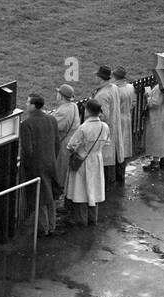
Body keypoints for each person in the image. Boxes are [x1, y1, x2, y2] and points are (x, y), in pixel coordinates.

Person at [19, 94, 60, 236]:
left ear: (33, 106)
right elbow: (57, 143)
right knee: (50, 197)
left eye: (27, 102)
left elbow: (27, 150)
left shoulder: (26, 125)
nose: (25, 104)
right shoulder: (52, 119)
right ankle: (52, 225)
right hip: (51, 161)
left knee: (40, 197)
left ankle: (44, 227)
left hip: (37, 166)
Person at [65, 100, 109, 226]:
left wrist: (78, 148)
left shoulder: (84, 128)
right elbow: (106, 142)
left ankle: (80, 219)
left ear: (88, 111)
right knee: (94, 188)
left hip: (82, 159)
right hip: (97, 159)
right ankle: (92, 218)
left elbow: (70, 146)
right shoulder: (104, 127)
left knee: (80, 189)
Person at [92, 66, 127, 185]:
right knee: (115, 156)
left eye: (96, 76)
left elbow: (103, 117)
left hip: (105, 133)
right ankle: (117, 179)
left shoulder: (102, 95)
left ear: (101, 79)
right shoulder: (114, 88)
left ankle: (105, 188)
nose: (94, 78)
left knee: (105, 161)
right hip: (115, 128)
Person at [49, 85, 81, 211]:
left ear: (61, 96)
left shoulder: (63, 110)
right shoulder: (73, 106)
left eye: (58, 93)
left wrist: (48, 117)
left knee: (60, 171)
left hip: (63, 144)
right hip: (71, 141)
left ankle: (58, 200)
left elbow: (54, 125)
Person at [142, 82, 164, 170]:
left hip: (158, 115)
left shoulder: (159, 88)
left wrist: (147, 96)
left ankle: (155, 162)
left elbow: (154, 103)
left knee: (157, 138)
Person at [113, 67, 136, 160]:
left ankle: (118, 162)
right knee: (125, 141)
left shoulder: (116, 90)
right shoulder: (130, 87)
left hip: (118, 118)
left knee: (118, 142)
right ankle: (123, 161)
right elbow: (134, 102)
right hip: (127, 115)